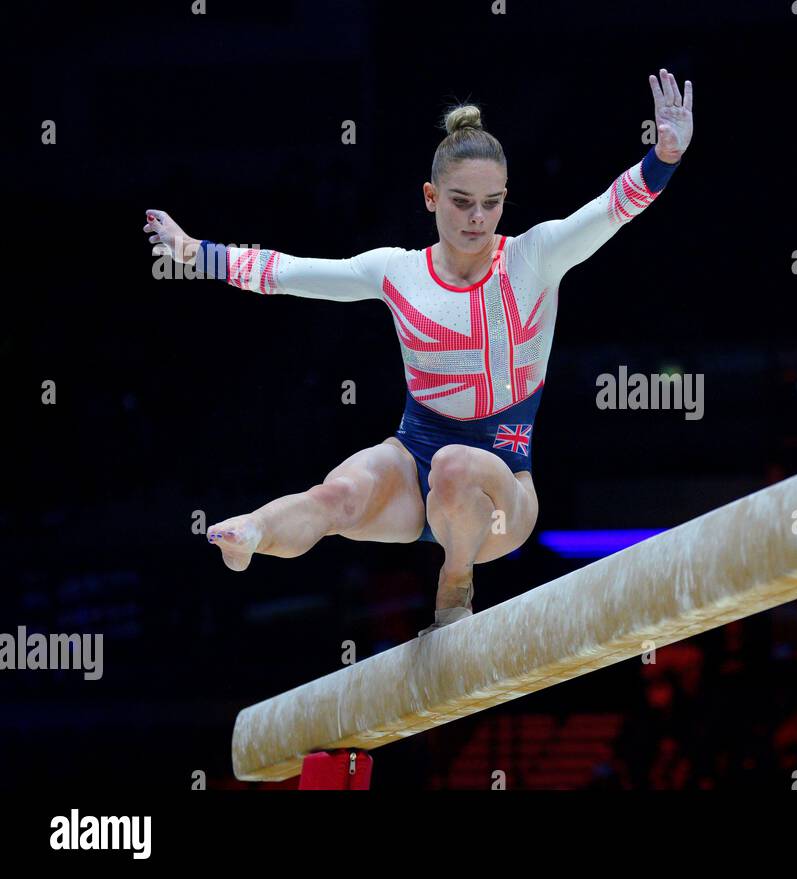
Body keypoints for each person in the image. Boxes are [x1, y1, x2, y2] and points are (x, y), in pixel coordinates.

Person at [143, 70, 694, 632]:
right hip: (414, 463)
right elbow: (293, 273)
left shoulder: (535, 257)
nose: (477, 218)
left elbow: (611, 208)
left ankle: (456, 579)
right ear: (430, 197)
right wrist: (197, 253)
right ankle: (254, 533)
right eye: (461, 202)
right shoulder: (398, 271)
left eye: (491, 203)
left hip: (504, 491)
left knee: (457, 467)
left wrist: (663, 159)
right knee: (339, 495)